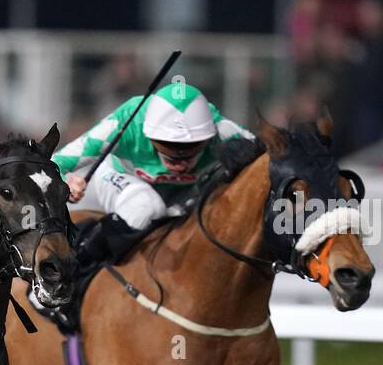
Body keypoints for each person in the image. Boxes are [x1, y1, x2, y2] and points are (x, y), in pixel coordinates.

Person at [55, 80, 253, 270]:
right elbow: (57, 162)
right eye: (167, 145)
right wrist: (66, 184)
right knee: (146, 206)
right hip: (121, 177)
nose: (180, 160)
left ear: (208, 136)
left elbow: (273, 162)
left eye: (192, 146)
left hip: (185, 193)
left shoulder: (224, 131)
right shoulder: (127, 122)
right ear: (148, 133)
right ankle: (76, 265)